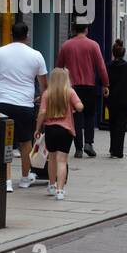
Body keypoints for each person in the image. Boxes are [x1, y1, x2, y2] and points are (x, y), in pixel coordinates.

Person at [0, 21, 48, 192]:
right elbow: (44, 85)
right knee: (26, 142)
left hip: (3, 103)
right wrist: (42, 100)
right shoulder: (36, 55)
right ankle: (25, 178)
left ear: (11, 35)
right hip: (25, 105)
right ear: (27, 36)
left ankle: (6, 181)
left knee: (4, 143)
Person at [55, 23, 108, 158]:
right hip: (90, 86)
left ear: (73, 30)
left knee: (76, 117)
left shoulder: (66, 45)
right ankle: (88, 143)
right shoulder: (93, 45)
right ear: (86, 30)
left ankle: (78, 147)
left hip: (72, 87)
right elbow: (101, 67)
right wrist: (105, 84)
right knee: (90, 115)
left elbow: (59, 67)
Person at [35, 68, 83, 202]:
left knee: (51, 159)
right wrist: (74, 106)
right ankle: (60, 190)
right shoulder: (70, 92)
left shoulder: (47, 94)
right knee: (62, 161)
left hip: (50, 129)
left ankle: (51, 185)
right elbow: (80, 107)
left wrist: (37, 129)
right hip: (65, 130)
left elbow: (42, 112)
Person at [105, 40, 127, 159]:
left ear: (113, 53)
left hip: (112, 99)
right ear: (123, 53)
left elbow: (104, 80)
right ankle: (118, 151)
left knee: (112, 123)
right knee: (121, 125)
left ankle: (113, 148)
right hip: (125, 99)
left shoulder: (108, 66)